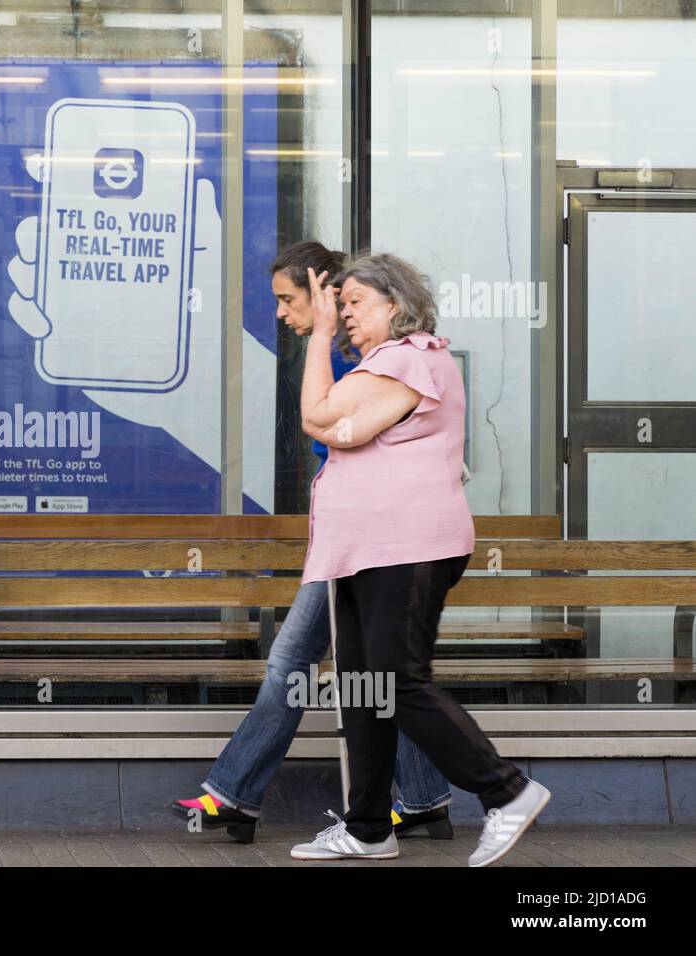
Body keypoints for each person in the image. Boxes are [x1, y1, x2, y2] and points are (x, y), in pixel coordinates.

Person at [168, 242, 453, 845]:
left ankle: (234, 794)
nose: (279, 313)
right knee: (378, 675)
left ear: (321, 296)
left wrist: (322, 340)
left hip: (368, 546)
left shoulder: (369, 364)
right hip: (351, 544)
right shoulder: (361, 356)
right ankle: (425, 796)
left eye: (286, 299)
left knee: (293, 661)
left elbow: (324, 423)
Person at [289, 253, 550, 867]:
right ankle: (369, 828)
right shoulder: (387, 365)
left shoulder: (409, 357)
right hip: (366, 552)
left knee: (397, 681)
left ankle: (506, 791)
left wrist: (320, 335)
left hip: (406, 549)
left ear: (394, 305)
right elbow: (334, 424)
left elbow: (317, 418)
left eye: (354, 302)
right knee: (364, 689)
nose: (343, 313)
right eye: (340, 303)